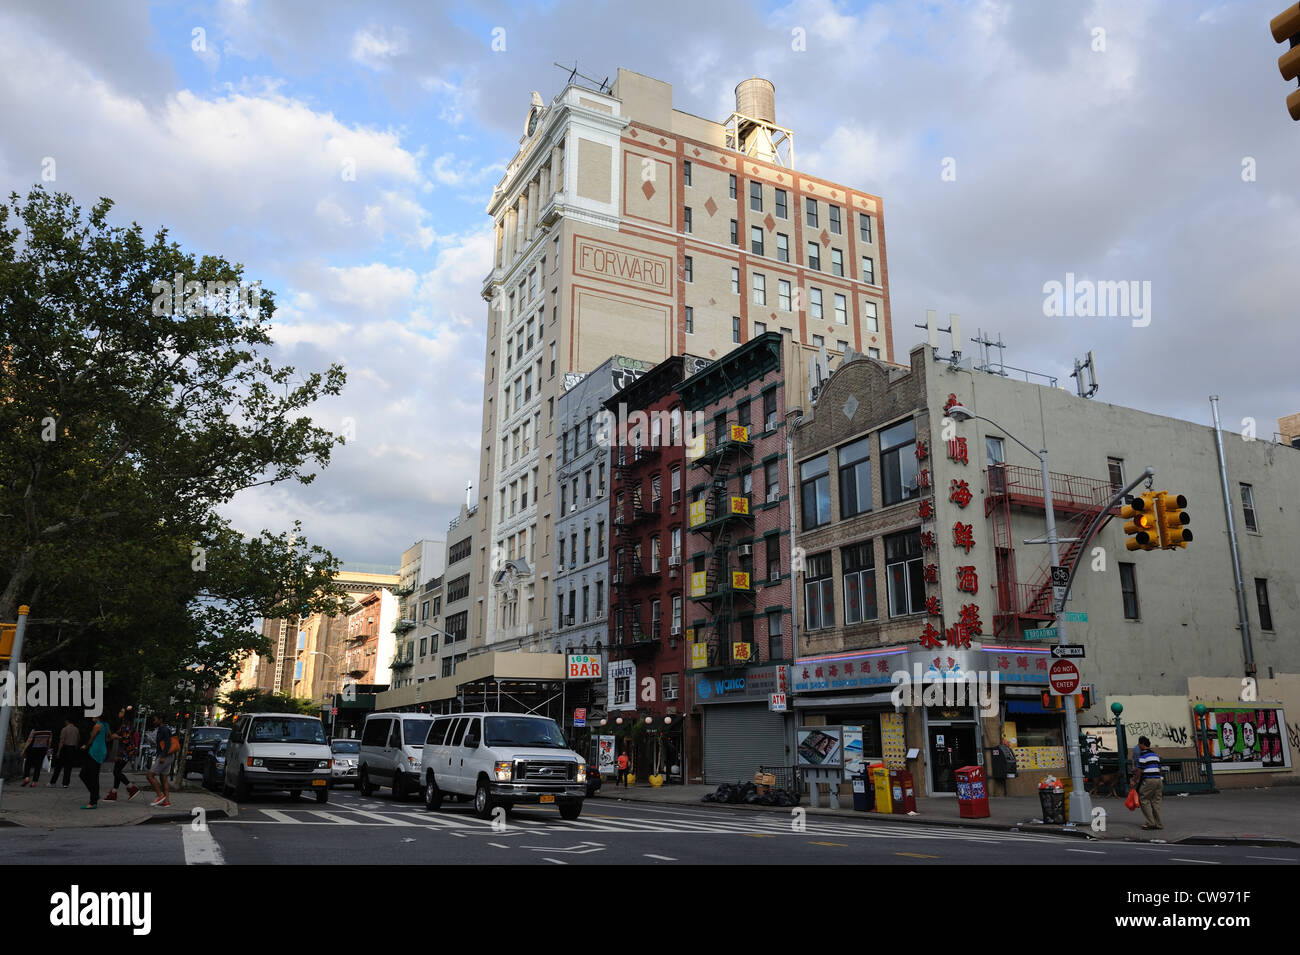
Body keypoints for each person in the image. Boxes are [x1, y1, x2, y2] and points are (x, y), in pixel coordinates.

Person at [104, 709, 141, 801]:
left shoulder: (126, 725)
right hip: (126, 751)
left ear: (125, 715)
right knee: (117, 771)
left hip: (125, 752)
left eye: (121, 711)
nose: (119, 713)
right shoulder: (125, 724)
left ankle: (131, 788)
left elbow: (126, 740)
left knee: (116, 772)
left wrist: (119, 754)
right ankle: (114, 793)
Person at [1132, 735, 1163, 830]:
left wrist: (1134, 780)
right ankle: (1158, 824)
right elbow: (1159, 768)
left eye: (1139, 744)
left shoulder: (1143, 755)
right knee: (1156, 801)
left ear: (1142, 744)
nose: (1138, 746)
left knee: (1143, 799)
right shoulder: (1155, 755)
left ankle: (1150, 822)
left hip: (1149, 780)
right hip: (1158, 779)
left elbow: (1140, 770)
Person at [79, 716, 108, 809]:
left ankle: (93, 802)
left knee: (90, 776)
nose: (92, 716)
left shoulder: (97, 726)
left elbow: (91, 739)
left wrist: (85, 746)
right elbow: (109, 737)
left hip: (94, 752)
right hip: (100, 751)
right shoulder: (105, 725)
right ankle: (95, 794)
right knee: (88, 775)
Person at [145, 715, 175, 808]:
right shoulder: (163, 729)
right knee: (163, 778)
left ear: (160, 719)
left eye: (155, 719)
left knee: (150, 775)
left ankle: (160, 795)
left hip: (164, 756)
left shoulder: (163, 729)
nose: (154, 721)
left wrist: (163, 756)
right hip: (168, 756)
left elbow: (167, 743)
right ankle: (166, 801)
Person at [48, 718, 80, 787]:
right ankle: (65, 783)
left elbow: (61, 741)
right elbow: (77, 740)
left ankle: (53, 782)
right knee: (68, 767)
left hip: (65, 748)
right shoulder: (76, 729)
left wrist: (58, 752)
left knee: (58, 766)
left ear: (67, 721)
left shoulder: (64, 729)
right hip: (72, 748)